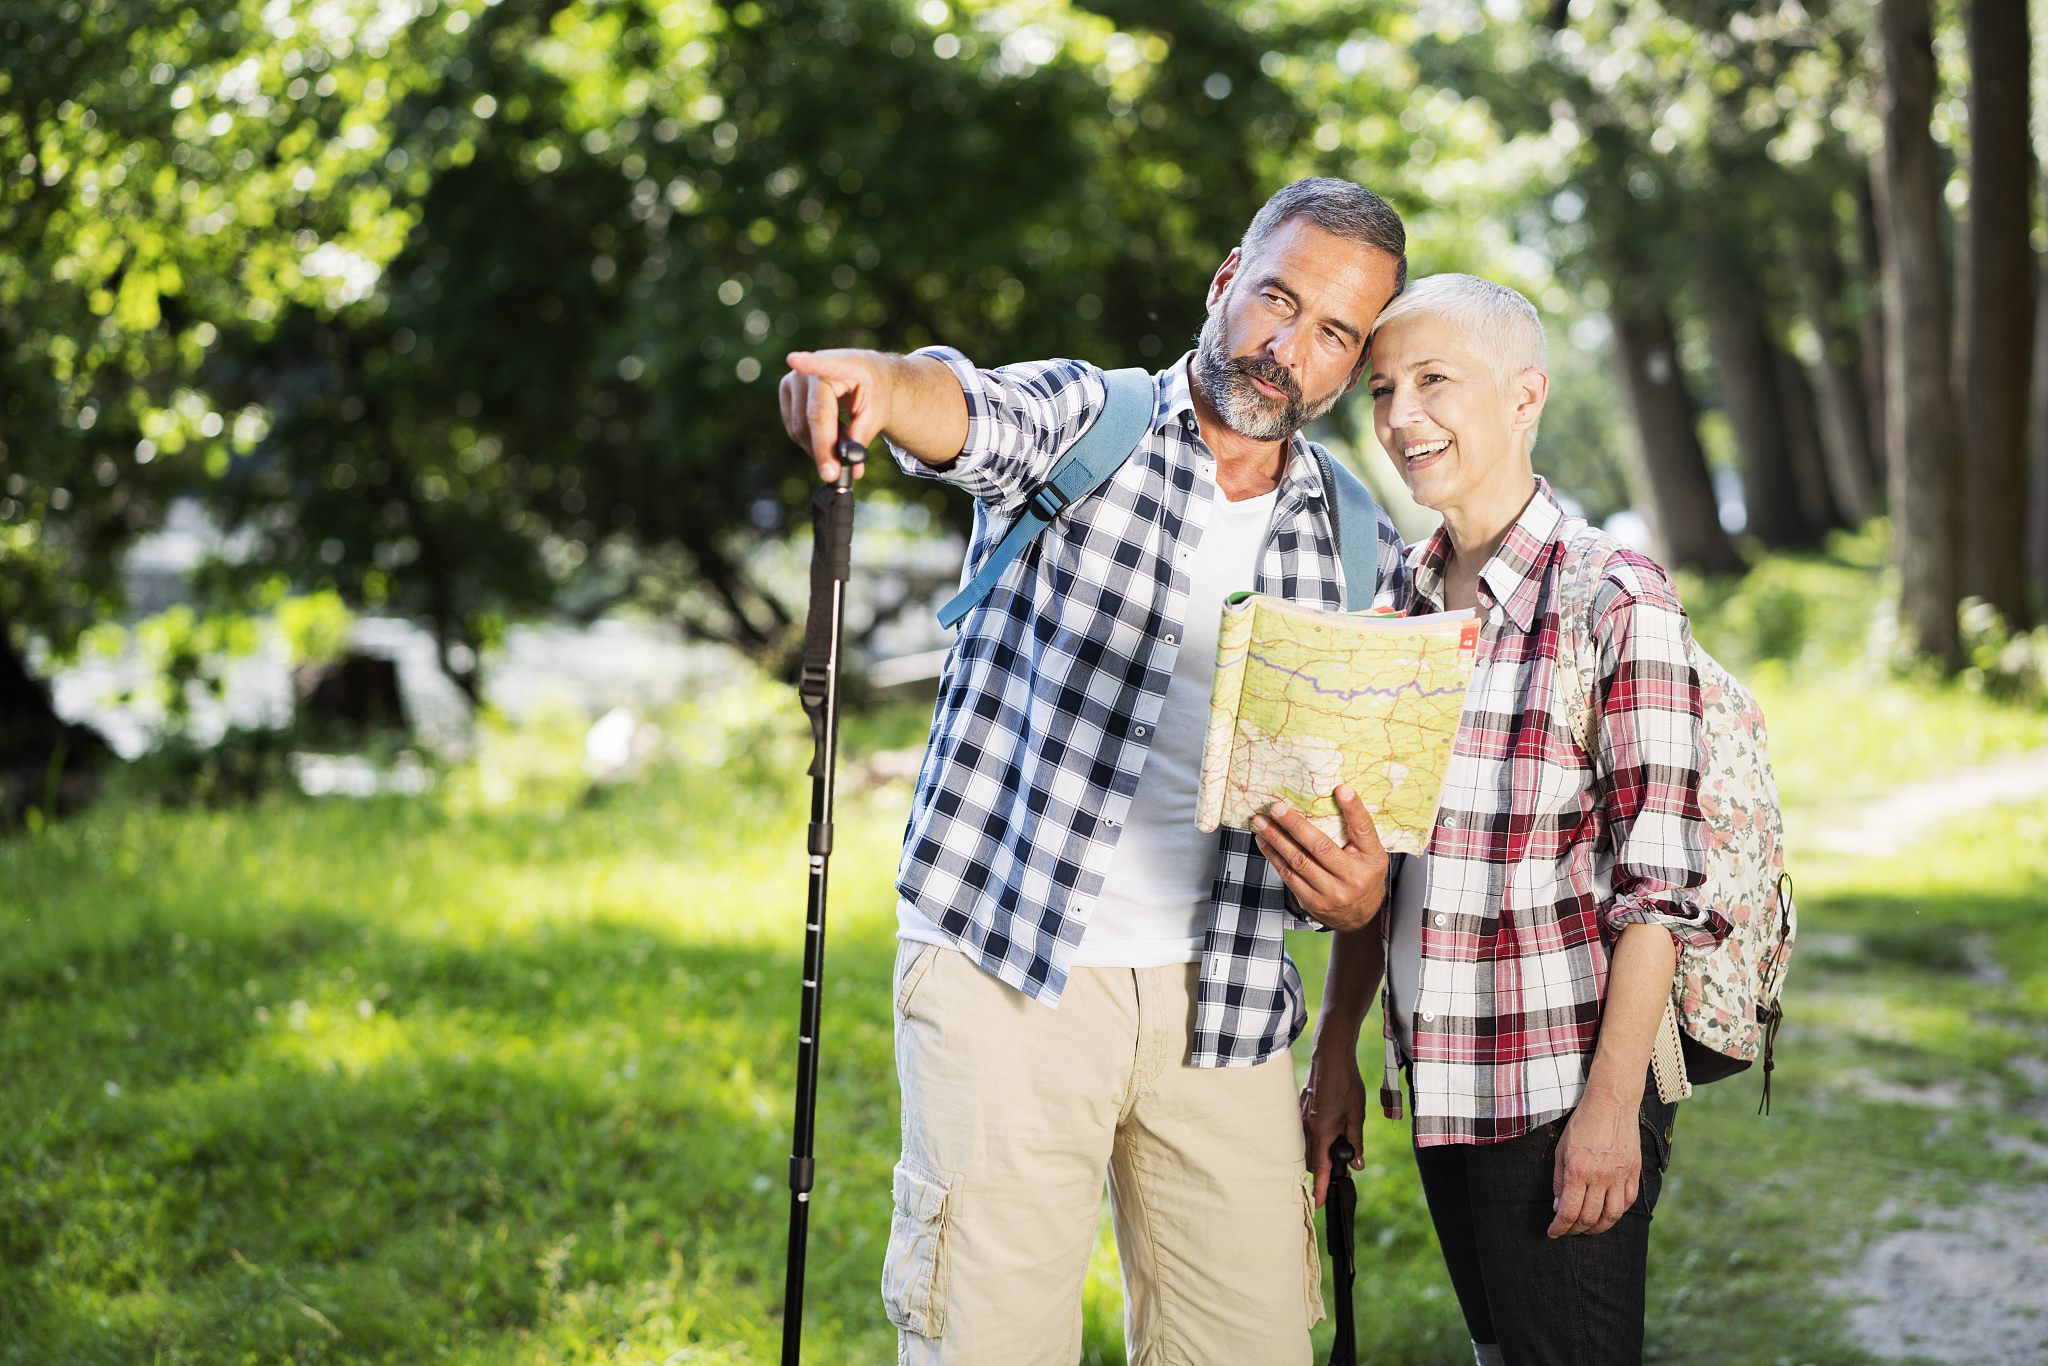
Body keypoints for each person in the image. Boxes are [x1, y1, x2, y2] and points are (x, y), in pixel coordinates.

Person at [779, 178, 1407, 1365]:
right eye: (1276, 300)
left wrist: (1359, 893)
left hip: (1221, 1003)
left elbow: (1361, 807)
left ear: (1353, 357)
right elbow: (953, 401)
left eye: (1332, 332)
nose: (1286, 350)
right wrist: (868, 379)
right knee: (987, 1342)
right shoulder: (1089, 419)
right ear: (1227, 281)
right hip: (1009, 968)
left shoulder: (1353, 533)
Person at [1297, 275, 1727, 1366]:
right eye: (1383, 388)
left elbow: (1658, 888)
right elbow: (1374, 852)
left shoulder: (1611, 597)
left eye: (1434, 381)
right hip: (1439, 1078)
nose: (1400, 417)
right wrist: (1335, 1050)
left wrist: (1610, 1110)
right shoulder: (1396, 599)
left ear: (1525, 394)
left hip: (1558, 1082)